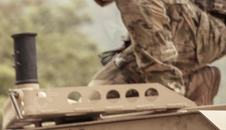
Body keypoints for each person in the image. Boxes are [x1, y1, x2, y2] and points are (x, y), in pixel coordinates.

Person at [89, 0, 226, 105]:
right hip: (176, 27)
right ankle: (195, 83)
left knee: (161, 92)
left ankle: (167, 90)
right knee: (97, 97)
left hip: (214, 26)